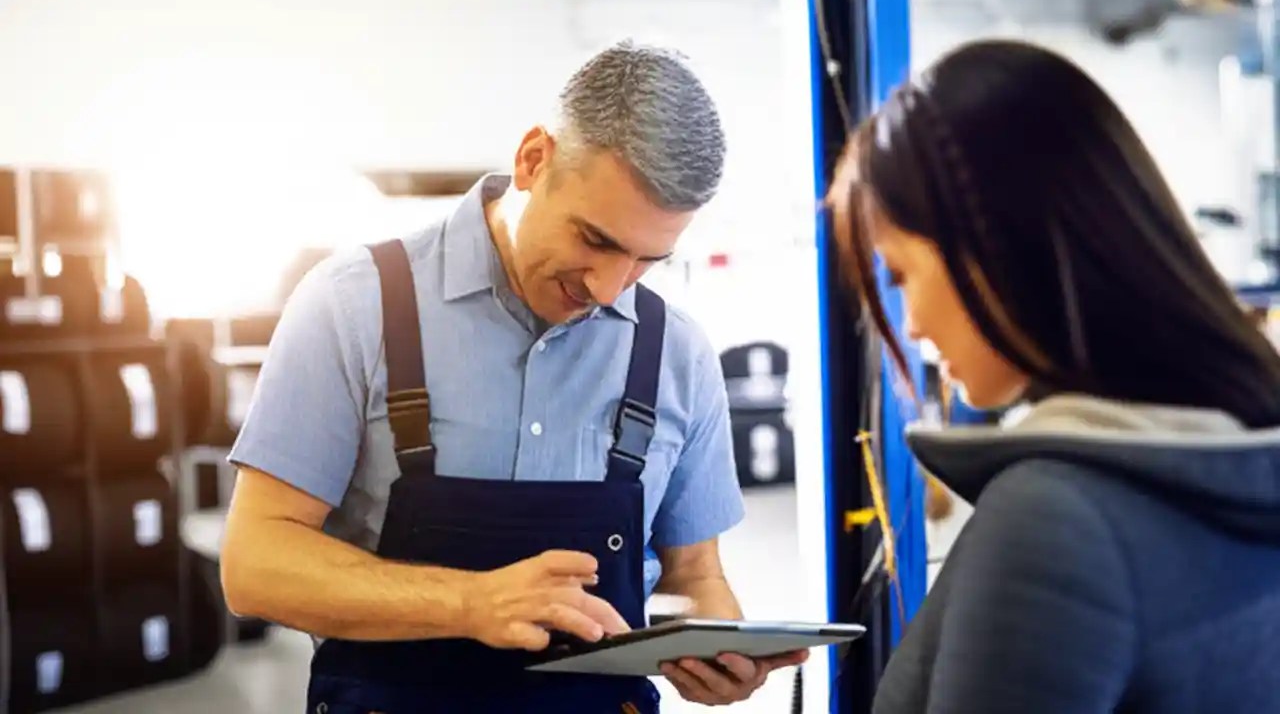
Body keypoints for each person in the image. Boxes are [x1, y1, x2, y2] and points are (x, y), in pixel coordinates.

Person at [219, 40, 805, 712]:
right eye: (596, 239)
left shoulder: (679, 354)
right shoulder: (353, 307)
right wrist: (469, 603)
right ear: (533, 160)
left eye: (649, 260)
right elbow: (256, 564)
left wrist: (716, 648)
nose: (610, 286)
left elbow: (696, 574)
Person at [827, 39, 1280, 712]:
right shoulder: (1235, 467)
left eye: (901, 276)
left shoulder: (1054, 521)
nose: (912, 327)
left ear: (993, 245)